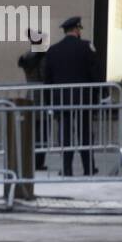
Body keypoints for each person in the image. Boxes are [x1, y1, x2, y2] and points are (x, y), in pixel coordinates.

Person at [42, 15, 97, 177]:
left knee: (65, 136)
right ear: (76, 29)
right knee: (85, 135)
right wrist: (101, 95)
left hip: (62, 101)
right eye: (79, 29)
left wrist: (48, 103)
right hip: (83, 100)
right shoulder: (87, 47)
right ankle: (88, 169)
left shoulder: (53, 50)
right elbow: (95, 73)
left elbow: (48, 79)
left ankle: (67, 169)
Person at [17, 28, 48, 169]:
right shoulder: (43, 58)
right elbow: (46, 77)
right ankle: (38, 162)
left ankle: (29, 161)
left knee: (31, 131)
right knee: (42, 133)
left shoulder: (26, 57)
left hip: (30, 95)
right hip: (42, 97)